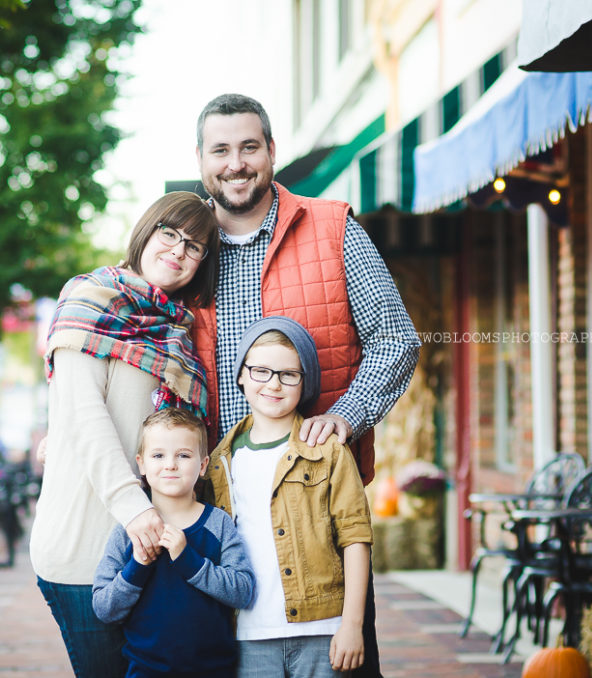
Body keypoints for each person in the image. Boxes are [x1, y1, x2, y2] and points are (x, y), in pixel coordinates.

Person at [191, 93, 421, 678]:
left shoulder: (330, 225)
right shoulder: (183, 247)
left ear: (271, 150)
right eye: (220, 149)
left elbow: (396, 338)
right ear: (201, 161)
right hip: (216, 509)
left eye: (248, 146)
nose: (235, 163)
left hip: (317, 506)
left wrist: (347, 416)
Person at [30, 191, 221, 678]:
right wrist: (135, 509)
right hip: (88, 548)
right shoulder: (91, 299)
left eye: (194, 247)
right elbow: (86, 417)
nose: (178, 251)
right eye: (169, 234)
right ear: (146, 232)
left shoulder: (174, 328)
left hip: (150, 549)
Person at [205, 316, 373, 677]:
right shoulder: (220, 460)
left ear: (304, 382)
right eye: (261, 371)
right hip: (248, 632)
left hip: (321, 629)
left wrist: (352, 625)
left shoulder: (326, 449)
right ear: (241, 376)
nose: (274, 384)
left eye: (289, 374)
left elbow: (356, 537)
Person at [93, 408, 255, 678]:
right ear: (141, 463)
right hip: (146, 671)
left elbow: (243, 591)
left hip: (214, 670)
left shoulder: (218, 523)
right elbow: (104, 608)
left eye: (183, 455)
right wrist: (139, 564)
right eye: (158, 455)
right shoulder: (128, 531)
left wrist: (189, 561)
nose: (170, 464)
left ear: (202, 465)